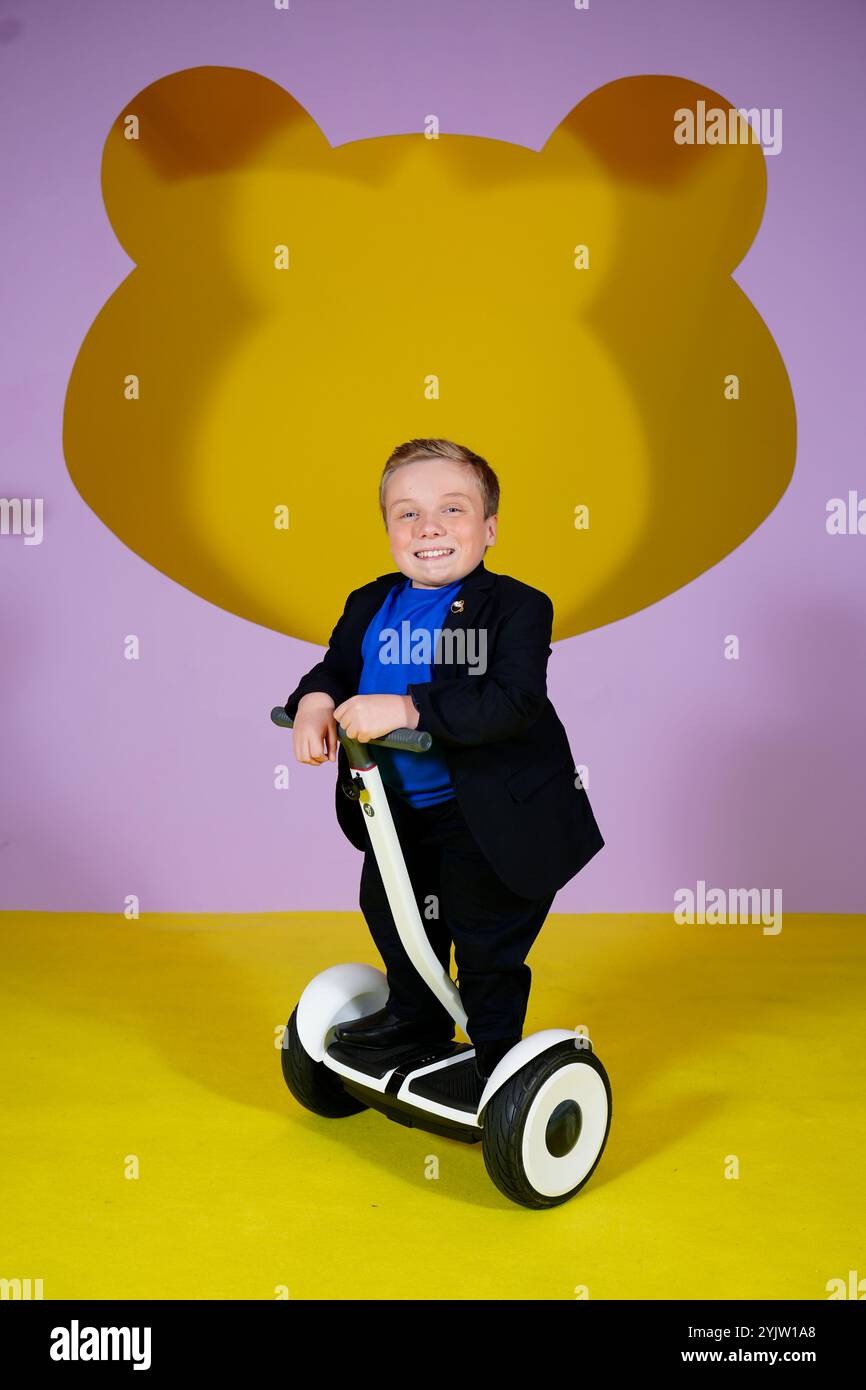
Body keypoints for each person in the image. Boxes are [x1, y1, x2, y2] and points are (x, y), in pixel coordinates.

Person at [283, 438, 604, 1080]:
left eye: (452, 510)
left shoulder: (515, 607)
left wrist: (404, 708)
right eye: (407, 514)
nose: (429, 527)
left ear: (488, 529)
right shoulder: (371, 602)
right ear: (389, 531)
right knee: (395, 913)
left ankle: (495, 1054)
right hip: (396, 812)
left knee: (484, 937)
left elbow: (510, 701)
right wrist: (317, 698)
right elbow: (337, 666)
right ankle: (416, 1018)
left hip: (485, 815)